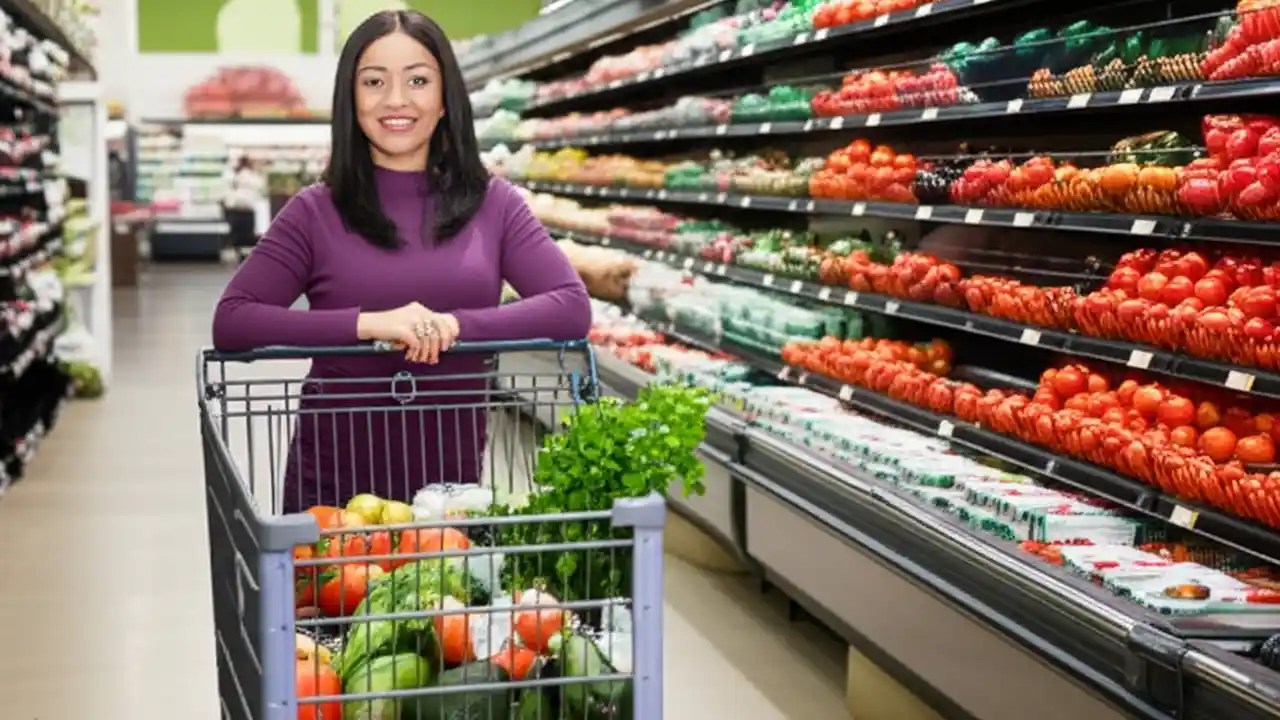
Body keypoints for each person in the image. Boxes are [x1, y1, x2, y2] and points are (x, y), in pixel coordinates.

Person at [211, 10, 591, 514]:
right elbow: (233, 320)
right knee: (333, 594)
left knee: (442, 592)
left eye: (417, 80)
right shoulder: (315, 211)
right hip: (332, 489)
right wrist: (370, 325)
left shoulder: (493, 205)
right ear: (351, 99)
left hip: (449, 489)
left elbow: (570, 307)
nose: (396, 100)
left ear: (444, 99)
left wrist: (454, 326)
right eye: (374, 82)